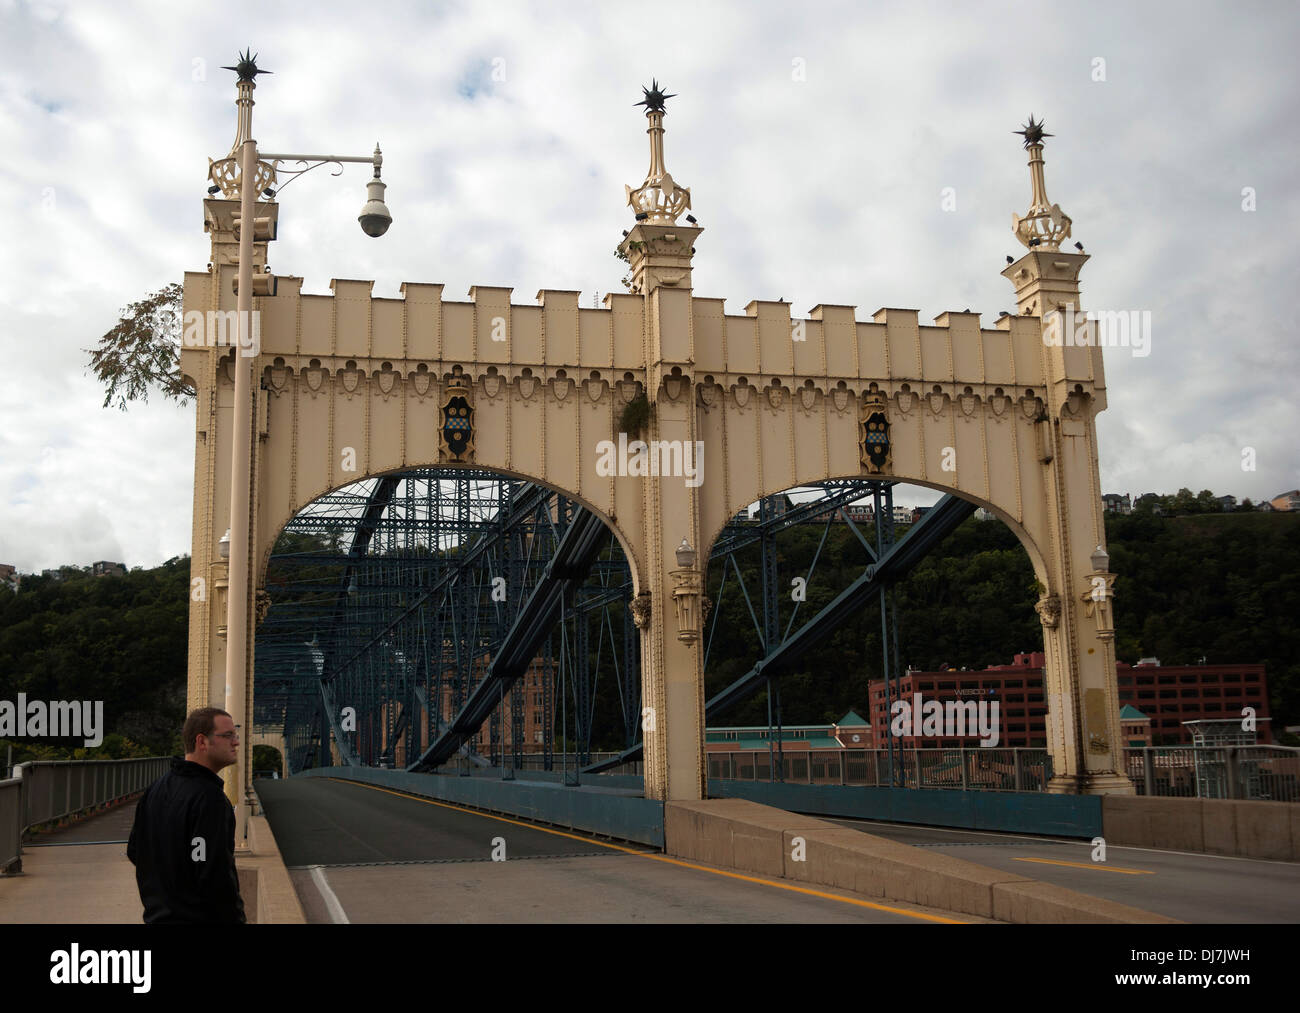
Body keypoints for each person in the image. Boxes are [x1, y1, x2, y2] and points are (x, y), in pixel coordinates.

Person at [127, 707, 246, 923]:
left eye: (235, 735)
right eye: (228, 735)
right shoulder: (210, 799)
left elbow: (135, 850)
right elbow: (213, 873)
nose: (236, 742)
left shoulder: (155, 789)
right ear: (202, 742)